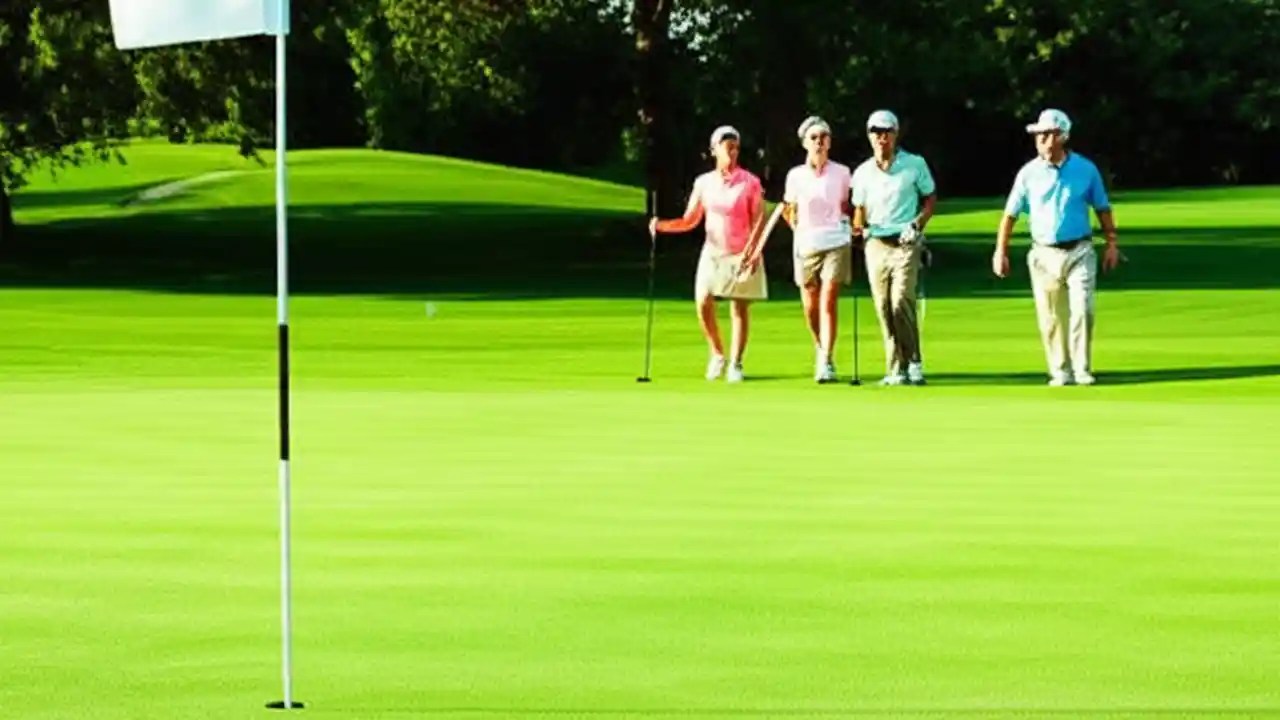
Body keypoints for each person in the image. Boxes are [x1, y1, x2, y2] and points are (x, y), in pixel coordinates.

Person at [993, 108, 1121, 387]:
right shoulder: (1028, 174)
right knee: (1050, 316)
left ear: (1062, 136)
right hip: (1043, 253)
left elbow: (1102, 209)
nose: (1041, 139)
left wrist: (1111, 244)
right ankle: (1059, 369)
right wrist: (1000, 251)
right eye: (1039, 134)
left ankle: (1081, 368)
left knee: (1083, 309)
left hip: (1080, 250)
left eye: (1047, 134)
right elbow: (1010, 215)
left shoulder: (1086, 170)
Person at [649, 125, 767, 383]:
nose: (732, 152)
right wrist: (662, 226)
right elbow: (690, 220)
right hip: (713, 252)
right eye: (727, 147)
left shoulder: (750, 182)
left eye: (735, 147)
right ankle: (717, 353)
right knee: (703, 301)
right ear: (714, 150)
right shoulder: (703, 183)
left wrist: (754, 250)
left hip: (742, 252)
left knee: (739, 308)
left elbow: (759, 218)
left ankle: (736, 363)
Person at [751, 116, 853, 383]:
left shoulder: (842, 173)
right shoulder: (795, 176)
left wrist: (852, 225)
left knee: (828, 298)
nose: (819, 142)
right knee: (810, 304)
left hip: (836, 241)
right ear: (805, 143)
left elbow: (848, 206)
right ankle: (820, 347)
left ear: (829, 141)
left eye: (823, 137)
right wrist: (796, 225)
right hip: (806, 243)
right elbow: (788, 209)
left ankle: (827, 359)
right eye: (814, 138)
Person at [850, 109, 937, 386]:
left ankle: (913, 361)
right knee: (883, 306)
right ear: (869, 135)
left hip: (905, 242)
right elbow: (859, 209)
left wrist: (918, 225)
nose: (881, 137)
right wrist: (857, 230)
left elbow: (930, 198)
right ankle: (895, 368)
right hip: (875, 243)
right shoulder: (863, 172)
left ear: (896, 134)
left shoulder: (914, 164)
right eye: (875, 132)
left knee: (901, 301)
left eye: (886, 132)